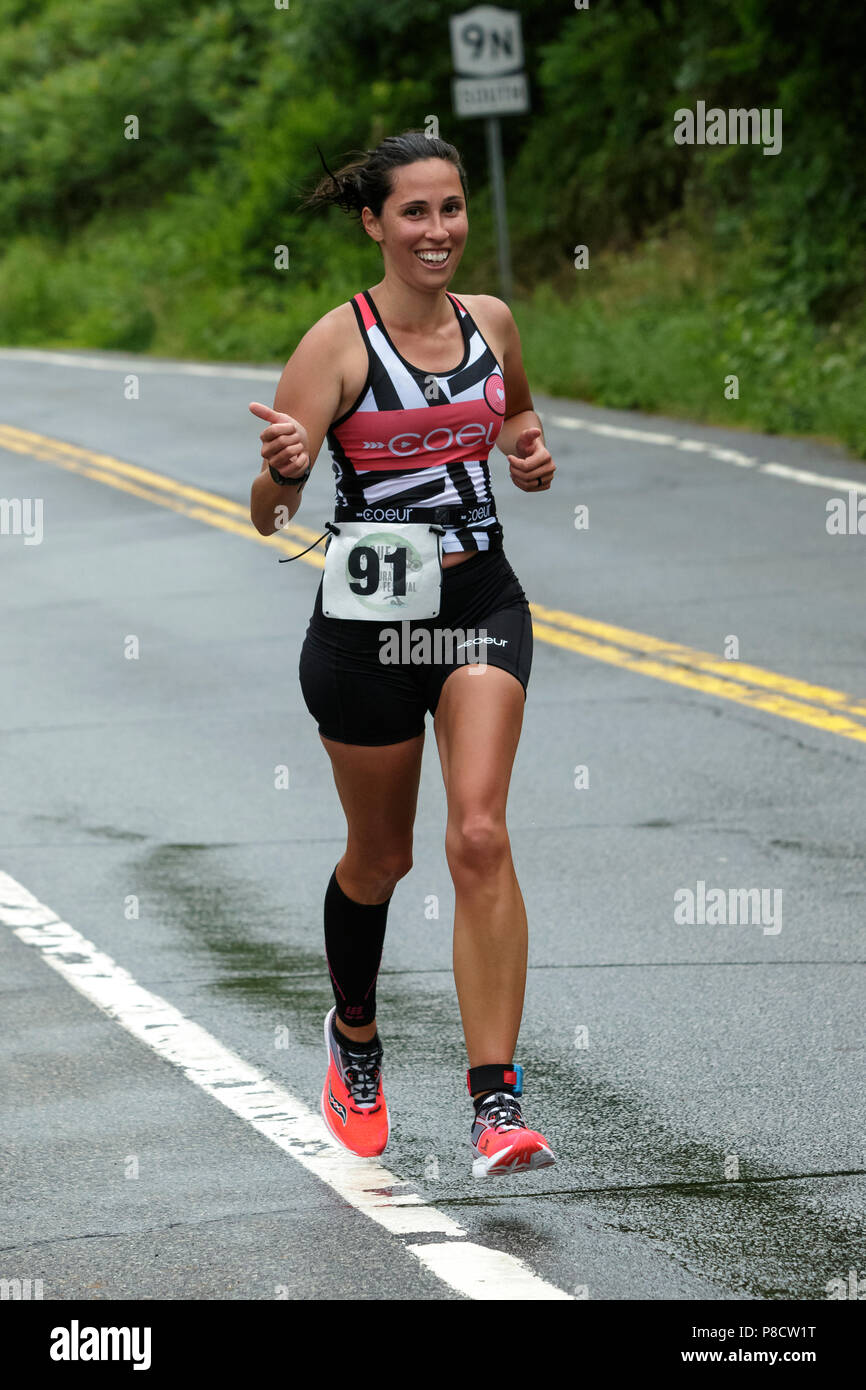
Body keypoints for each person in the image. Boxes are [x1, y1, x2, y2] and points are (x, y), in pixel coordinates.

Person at [249, 131, 557, 1178]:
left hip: (476, 595)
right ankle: (354, 1036)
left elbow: (515, 417)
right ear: (373, 224)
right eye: (414, 213)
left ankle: (496, 1103)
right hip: (365, 624)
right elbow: (266, 511)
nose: (438, 231)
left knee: (478, 831)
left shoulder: (493, 322)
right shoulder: (333, 344)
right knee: (382, 856)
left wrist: (527, 453)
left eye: (452, 208)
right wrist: (282, 472)